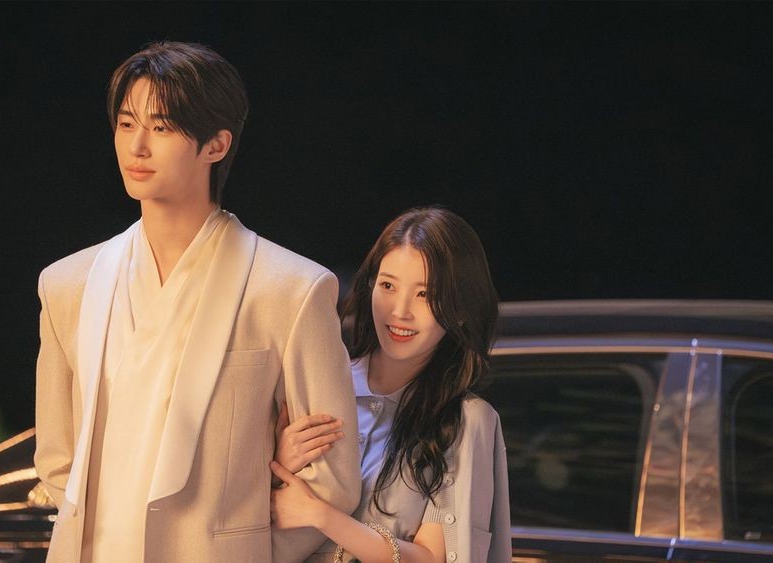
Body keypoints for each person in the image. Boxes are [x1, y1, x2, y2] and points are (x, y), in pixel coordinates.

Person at [33, 41, 361, 563]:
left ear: (216, 144)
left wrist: (244, 550)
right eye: (126, 124)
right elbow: (56, 459)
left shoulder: (290, 289)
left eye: (162, 128)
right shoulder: (67, 286)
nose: (137, 146)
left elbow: (333, 479)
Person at [271, 207, 512, 563]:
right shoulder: (312, 384)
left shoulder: (464, 421)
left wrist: (320, 515)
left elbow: (434, 558)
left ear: (460, 309)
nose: (399, 311)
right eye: (387, 286)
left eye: (424, 294)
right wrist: (276, 465)